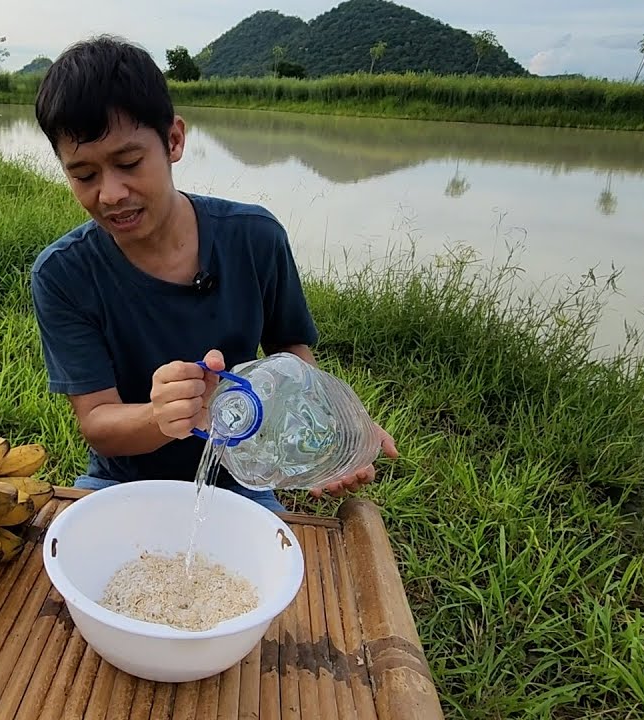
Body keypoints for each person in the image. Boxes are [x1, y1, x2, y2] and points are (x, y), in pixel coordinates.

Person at [28, 35, 397, 513]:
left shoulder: (255, 238)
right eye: (84, 175)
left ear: (174, 140)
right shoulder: (63, 274)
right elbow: (98, 423)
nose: (111, 193)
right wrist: (162, 416)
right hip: (120, 482)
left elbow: (292, 353)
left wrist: (324, 434)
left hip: (240, 478)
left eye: (129, 163)